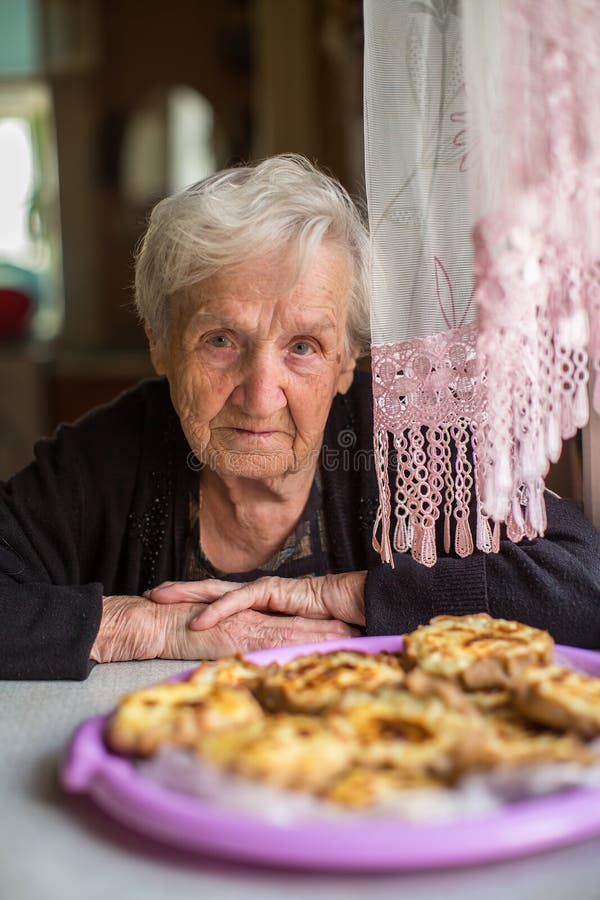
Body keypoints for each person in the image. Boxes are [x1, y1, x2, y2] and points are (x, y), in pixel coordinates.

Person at [2, 154, 600, 680]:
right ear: (160, 342)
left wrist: (355, 594)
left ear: (347, 362)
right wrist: (145, 629)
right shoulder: (103, 462)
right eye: (220, 340)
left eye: (303, 347)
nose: (261, 396)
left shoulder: (410, 446)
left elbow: (585, 586)